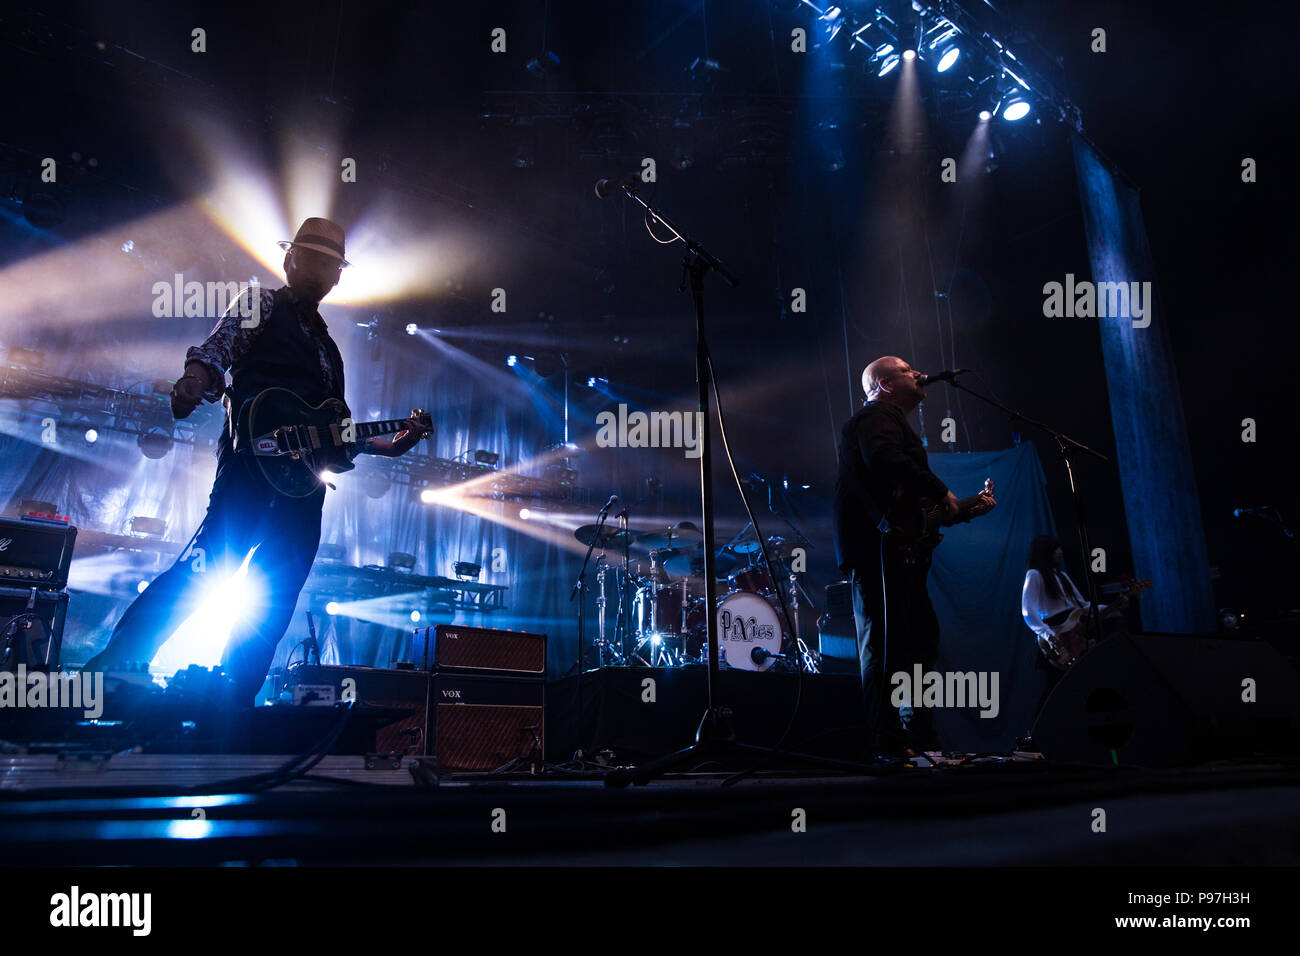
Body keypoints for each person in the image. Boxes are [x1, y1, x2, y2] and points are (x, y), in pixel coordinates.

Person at [84, 218, 429, 705]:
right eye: (309, 259)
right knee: (199, 571)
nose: (318, 272)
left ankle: (230, 699)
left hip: (303, 496)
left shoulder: (330, 353)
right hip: (248, 474)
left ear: (337, 277)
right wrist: (195, 378)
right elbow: (219, 347)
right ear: (289, 260)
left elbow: (334, 439)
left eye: (329, 265)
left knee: (274, 599)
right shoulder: (261, 304)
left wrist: (389, 445)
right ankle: (113, 672)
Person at [833, 355, 995, 756]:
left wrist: (964, 508)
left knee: (919, 643)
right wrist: (944, 493)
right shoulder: (874, 418)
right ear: (886, 385)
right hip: (876, 551)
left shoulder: (893, 422)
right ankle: (888, 741)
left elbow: (914, 512)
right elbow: (885, 461)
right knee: (885, 644)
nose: (920, 373)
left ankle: (919, 735)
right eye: (908, 371)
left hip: (900, 552)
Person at [1022, 534, 1126, 715]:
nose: (1061, 552)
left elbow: (1083, 607)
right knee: (1054, 688)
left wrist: (1114, 607)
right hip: (1056, 639)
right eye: (1057, 549)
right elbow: (1028, 612)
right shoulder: (1035, 575)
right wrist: (1048, 634)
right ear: (1047, 552)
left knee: (1077, 684)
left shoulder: (1061, 576)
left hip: (1074, 637)